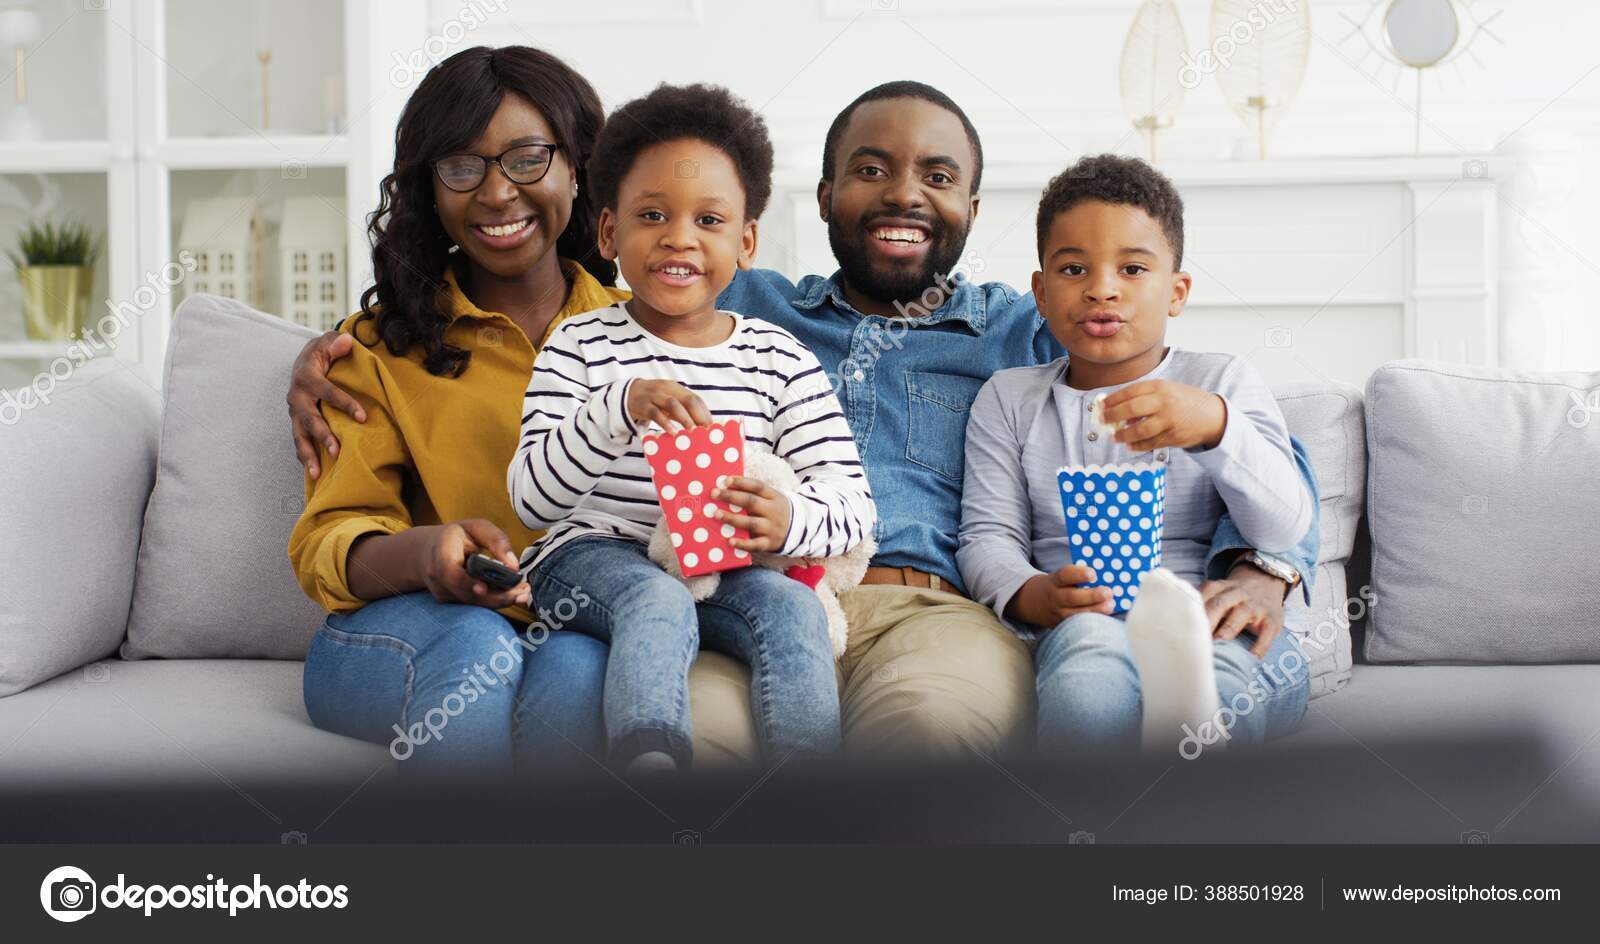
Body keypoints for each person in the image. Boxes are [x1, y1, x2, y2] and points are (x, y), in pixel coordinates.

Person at [289, 74, 1322, 764]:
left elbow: (1230, 426)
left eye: (938, 176)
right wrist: (332, 340)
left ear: (971, 205)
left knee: (920, 739)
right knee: (695, 746)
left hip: (932, 613)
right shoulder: (750, 309)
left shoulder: (1032, 325)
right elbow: (626, 277)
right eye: (869, 169)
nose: (901, 194)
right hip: (742, 604)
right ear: (817, 198)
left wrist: (1270, 565)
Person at [509, 84, 872, 776]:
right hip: (587, 561)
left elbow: (852, 505)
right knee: (656, 596)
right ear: (610, 233)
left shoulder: (779, 358)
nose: (680, 236)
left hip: (724, 571)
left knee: (792, 611)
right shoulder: (579, 346)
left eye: (709, 219)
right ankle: (652, 760)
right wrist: (615, 408)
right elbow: (531, 500)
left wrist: (788, 518)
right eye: (653, 215)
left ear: (746, 241)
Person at [287, 47, 627, 775]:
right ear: (430, 190)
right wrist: (429, 557)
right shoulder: (374, 351)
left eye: (528, 157)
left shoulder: (650, 334)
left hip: (566, 626)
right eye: (462, 167)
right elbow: (328, 542)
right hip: (402, 633)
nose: (498, 193)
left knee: (577, 666)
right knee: (482, 643)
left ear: (580, 167)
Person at [958, 154, 1313, 755]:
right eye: (1074, 268)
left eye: (1132, 268)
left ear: (1176, 293)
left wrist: (1215, 429)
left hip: (1213, 616)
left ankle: (1192, 792)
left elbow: (1283, 524)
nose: (1102, 288)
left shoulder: (1220, 383)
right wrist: (1032, 593)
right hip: (1084, 619)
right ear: (1041, 293)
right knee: (1084, 672)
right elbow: (987, 535)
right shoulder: (1010, 399)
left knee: (1228, 677)